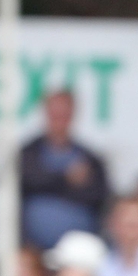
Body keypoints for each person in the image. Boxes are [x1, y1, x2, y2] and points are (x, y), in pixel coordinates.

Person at [21, 90, 110, 251]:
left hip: (77, 254)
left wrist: (49, 184)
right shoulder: (26, 154)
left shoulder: (90, 159)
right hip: (32, 253)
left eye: (64, 114)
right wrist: (65, 179)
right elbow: (24, 181)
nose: (59, 119)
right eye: (55, 113)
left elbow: (100, 196)